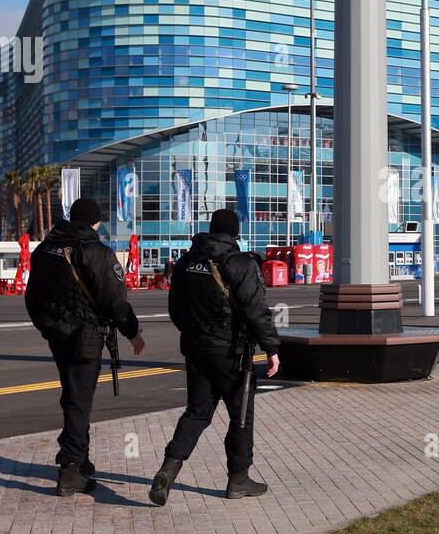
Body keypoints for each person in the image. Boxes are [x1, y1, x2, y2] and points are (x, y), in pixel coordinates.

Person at [149, 209, 281, 505]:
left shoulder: (186, 262)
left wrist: (195, 333)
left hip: (196, 348)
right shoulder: (240, 263)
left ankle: (167, 470)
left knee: (196, 413)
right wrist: (271, 348)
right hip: (231, 353)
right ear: (235, 232)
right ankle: (238, 478)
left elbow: (176, 309)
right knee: (241, 415)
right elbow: (256, 309)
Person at [24, 198, 145, 496]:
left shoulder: (45, 249)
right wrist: (133, 332)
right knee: (79, 401)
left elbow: (32, 296)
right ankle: (70, 468)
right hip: (85, 336)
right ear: (95, 222)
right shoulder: (95, 252)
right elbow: (115, 301)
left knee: (73, 395)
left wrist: (47, 325)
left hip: (57, 334)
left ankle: (82, 460)